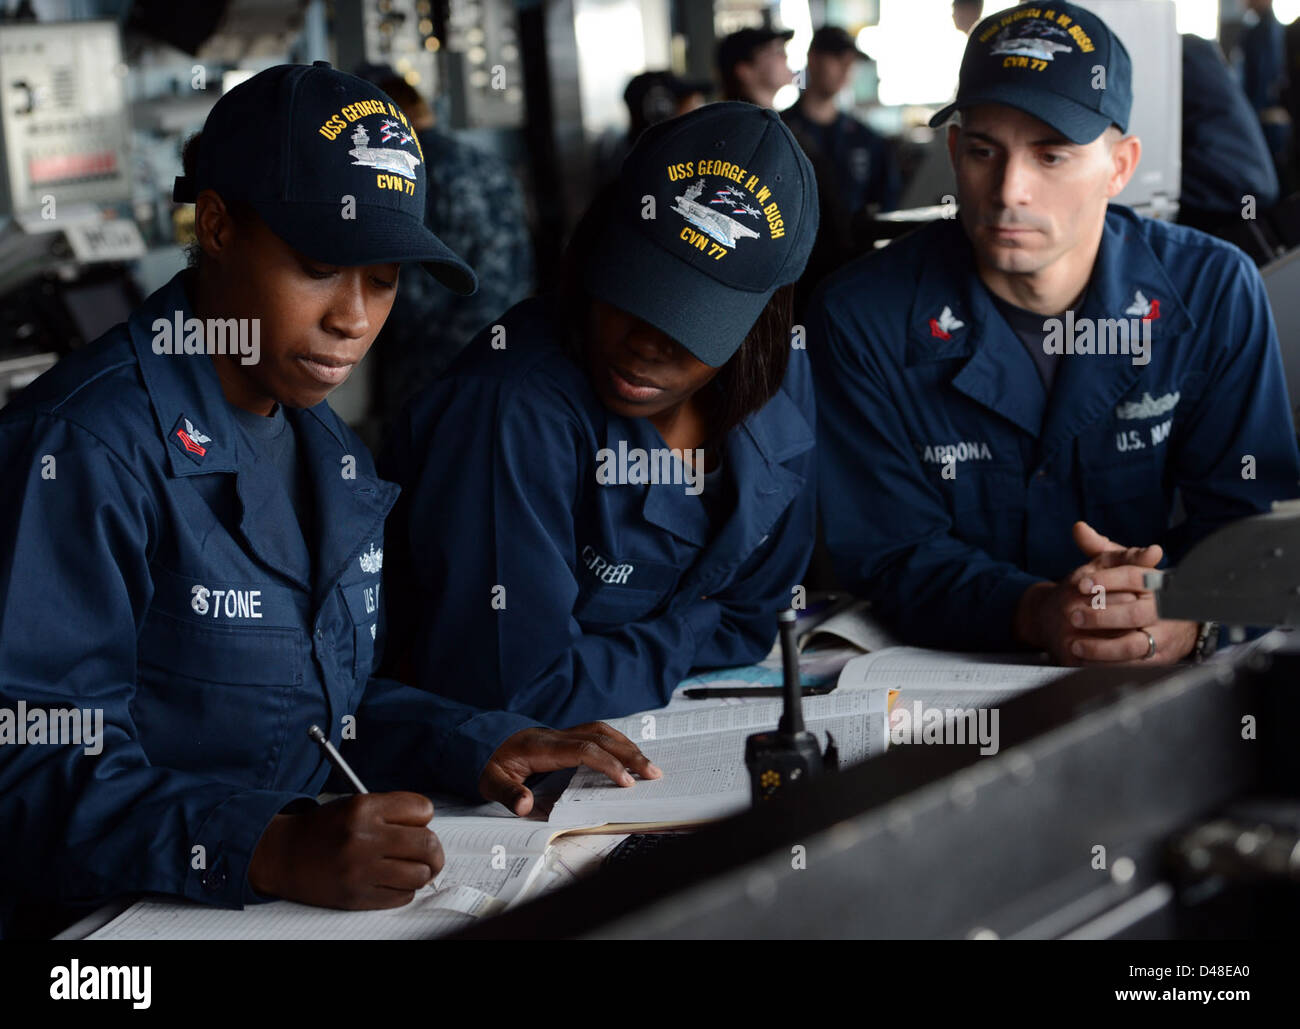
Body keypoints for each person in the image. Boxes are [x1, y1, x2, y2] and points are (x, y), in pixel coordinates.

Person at [0, 63, 655, 939]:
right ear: (221, 227)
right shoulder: (84, 448)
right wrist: (265, 846)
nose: (353, 317)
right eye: (319, 268)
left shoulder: (325, 445)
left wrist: (475, 740)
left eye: (383, 279)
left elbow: (309, 708)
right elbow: (29, 765)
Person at [809, 3, 1300, 666]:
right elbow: (890, 547)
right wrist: (1037, 610)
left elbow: (1253, 523)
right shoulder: (861, 317)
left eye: (1051, 155)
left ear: (1120, 167)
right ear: (954, 151)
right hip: (948, 674)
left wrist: (1186, 615)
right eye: (984, 151)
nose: (1010, 190)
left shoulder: (1211, 293)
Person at [381, 103, 819, 725]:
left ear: (761, 325)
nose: (643, 343)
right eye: (629, 293)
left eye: (690, 324)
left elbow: (758, 618)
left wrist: (618, 661)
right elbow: (510, 687)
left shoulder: (780, 378)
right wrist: (692, 631)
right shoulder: (509, 410)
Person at [357, 67, 535, 428]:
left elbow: (409, 293)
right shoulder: (487, 163)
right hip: (508, 353)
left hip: (431, 366)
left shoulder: (403, 172)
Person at [783, 27, 901, 219]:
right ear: (813, 59)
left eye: (851, 62)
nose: (846, 69)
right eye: (838, 59)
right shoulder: (782, 131)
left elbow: (888, 203)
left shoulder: (866, 139)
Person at [594, 70, 711, 187]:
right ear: (662, 111)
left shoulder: (624, 164)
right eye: (693, 105)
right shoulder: (659, 183)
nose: (700, 110)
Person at [717, 26, 794, 107]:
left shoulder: (739, 115)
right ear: (745, 71)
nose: (785, 57)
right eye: (778, 51)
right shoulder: (745, 118)